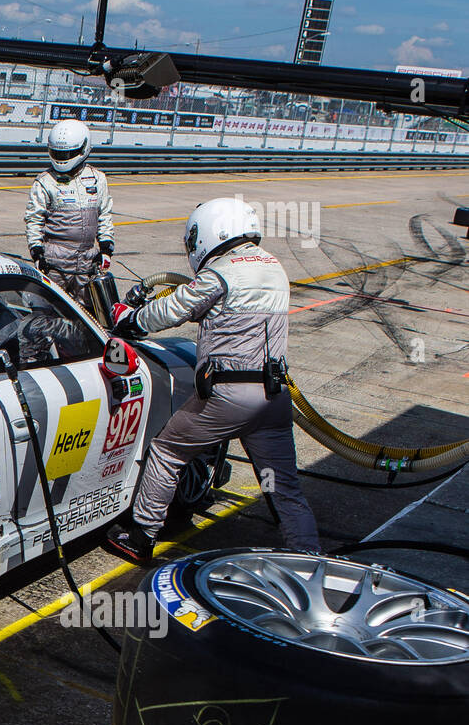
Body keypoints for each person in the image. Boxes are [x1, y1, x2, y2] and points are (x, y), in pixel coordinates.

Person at [103, 197, 320, 563]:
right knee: (284, 488)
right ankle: (310, 557)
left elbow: (173, 308)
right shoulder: (273, 266)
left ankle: (140, 535)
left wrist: (131, 319)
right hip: (274, 396)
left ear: (211, 232)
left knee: (168, 451)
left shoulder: (222, 271)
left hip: (229, 396)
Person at [24, 118, 114, 309]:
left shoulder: (97, 179)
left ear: (83, 149)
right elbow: (34, 219)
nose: (62, 158)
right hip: (54, 264)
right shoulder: (44, 181)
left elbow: (104, 214)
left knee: (88, 316)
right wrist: (37, 251)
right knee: (48, 313)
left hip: (88, 262)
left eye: (67, 153)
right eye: (58, 153)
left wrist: (106, 248)